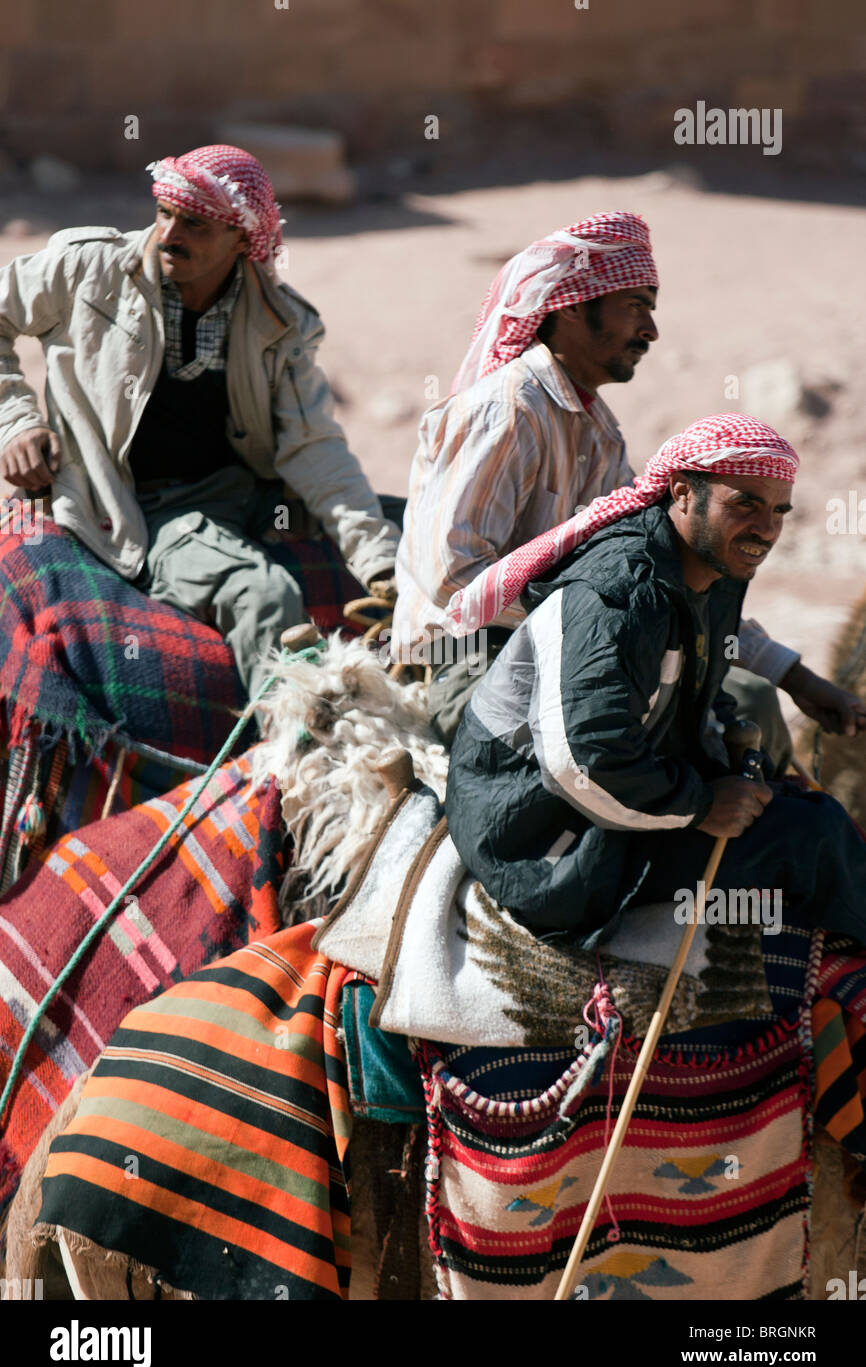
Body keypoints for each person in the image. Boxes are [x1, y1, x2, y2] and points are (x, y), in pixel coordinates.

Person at [391, 212, 859, 759]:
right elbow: (455, 581)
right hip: (473, 662)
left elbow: (665, 568)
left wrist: (795, 678)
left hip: (571, 644)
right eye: (635, 306)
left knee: (749, 702)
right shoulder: (506, 410)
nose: (651, 331)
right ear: (568, 305)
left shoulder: (598, 430)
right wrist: (602, 621)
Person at [444, 414, 866, 948]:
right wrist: (702, 805)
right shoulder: (618, 595)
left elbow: (688, 697)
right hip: (542, 840)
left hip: (604, 808)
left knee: (800, 808)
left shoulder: (712, 571)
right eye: (746, 504)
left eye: (778, 511)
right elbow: (580, 765)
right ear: (683, 494)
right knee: (812, 838)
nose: (767, 529)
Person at [0, 144, 399, 702]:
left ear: (241, 240)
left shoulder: (279, 324)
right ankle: (294, 768)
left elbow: (315, 449)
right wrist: (14, 422)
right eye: (164, 213)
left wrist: (381, 562)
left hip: (246, 494)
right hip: (139, 505)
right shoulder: (88, 269)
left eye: (193, 223)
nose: (168, 235)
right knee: (260, 593)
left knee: (411, 532)